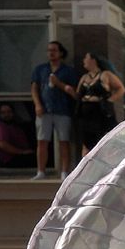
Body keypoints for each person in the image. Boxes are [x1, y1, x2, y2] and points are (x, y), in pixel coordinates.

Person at [30, 39, 78, 177]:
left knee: (64, 141)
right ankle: (41, 171)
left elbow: (75, 92)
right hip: (44, 110)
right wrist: (37, 105)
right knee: (42, 141)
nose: (51, 53)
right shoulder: (40, 69)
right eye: (49, 50)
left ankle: (64, 171)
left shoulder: (68, 71)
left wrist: (59, 84)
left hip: (62, 110)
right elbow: (34, 88)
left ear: (61, 53)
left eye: (54, 50)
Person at [73, 50, 125, 154]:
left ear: (93, 60)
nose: (84, 60)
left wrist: (110, 100)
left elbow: (121, 89)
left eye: (86, 58)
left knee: (102, 140)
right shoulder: (84, 77)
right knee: (86, 143)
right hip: (86, 115)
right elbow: (78, 93)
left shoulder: (105, 75)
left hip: (100, 113)